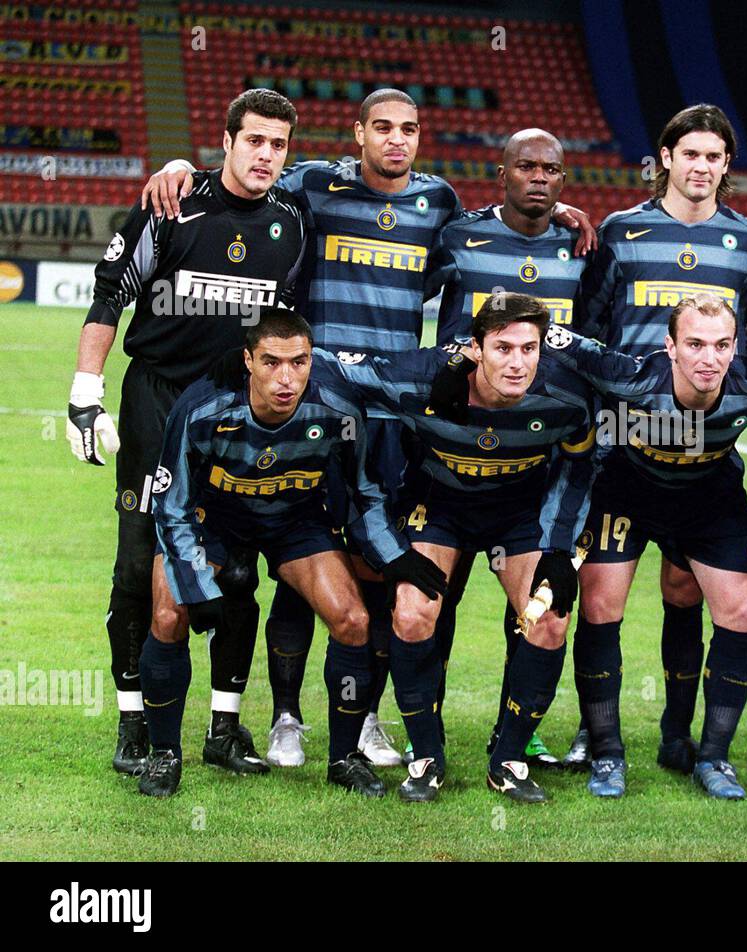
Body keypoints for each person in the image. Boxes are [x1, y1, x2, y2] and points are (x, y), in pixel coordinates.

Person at [141, 92, 596, 771]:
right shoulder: (316, 183)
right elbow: (249, 172)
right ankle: (288, 717)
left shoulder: (439, 204)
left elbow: (488, 230)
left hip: (392, 414)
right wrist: (183, 164)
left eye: (409, 130)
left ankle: (371, 719)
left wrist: (549, 207)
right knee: (304, 551)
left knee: (371, 572)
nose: (395, 140)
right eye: (382, 128)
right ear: (358, 133)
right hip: (314, 398)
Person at [68, 88, 307, 777]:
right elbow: (109, 293)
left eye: (278, 145)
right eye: (254, 140)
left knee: (234, 570)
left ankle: (224, 728)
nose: (265, 155)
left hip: (235, 414)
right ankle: (134, 719)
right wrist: (88, 393)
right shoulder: (170, 202)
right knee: (139, 566)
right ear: (226, 141)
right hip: (157, 402)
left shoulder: (291, 222)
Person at [543, 295, 747, 800]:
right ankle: (608, 752)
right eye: (696, 344)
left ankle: (714, 758)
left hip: (710, 498)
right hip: (629, 494)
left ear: (736, 347)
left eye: (722, 345)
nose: (710, 359)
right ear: (671, 347)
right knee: (598, 606)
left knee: (744, 611)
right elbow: (558, 339)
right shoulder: (633, 377)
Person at [140, 310, 446, 798]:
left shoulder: (338, 408)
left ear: (312, 360)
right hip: (212, 520)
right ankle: (163, 755)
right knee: (168, 612)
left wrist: (394, 556)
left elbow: (364, 494)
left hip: (295, 521)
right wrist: (196, 587)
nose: (286, 378)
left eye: (299, 362)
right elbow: (171, 507)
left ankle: (343, 758)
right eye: (271, 362)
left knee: (352, 619)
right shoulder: (203, 408)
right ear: (248, 361)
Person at [314, 293, 597, 803]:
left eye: (528, 349)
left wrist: (559, 547)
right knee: (411, 613)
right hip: (440, 507)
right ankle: (426, 756)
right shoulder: (422, 378)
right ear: (475, 348)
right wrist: (234, 358)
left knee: (550, 619)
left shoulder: (567, 394)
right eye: (503, 348)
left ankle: (508, 758)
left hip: (519, 514)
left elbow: (580, 464)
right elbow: (328, 364)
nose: (517, 363)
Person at [568, 103, 747, 770]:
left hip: (706, 454)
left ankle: (678, 731)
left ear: (725, 166)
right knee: (602, 597)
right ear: (665, 159)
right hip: (626, 447)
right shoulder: (622, 230)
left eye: (715, 157)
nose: (702, 167)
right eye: (691, 154)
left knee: (689, 593)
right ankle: (594, 734)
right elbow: (590, 330)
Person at [424, 128, 588, 769]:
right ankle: (422, 731)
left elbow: (589, 337)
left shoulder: (581, 248)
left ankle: (519, 731)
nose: (539, 177)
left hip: (539, 448)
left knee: (537, 599)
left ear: (564, 181)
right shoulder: (458, 236)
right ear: (503, 173)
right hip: (456, 444)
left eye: (551, 168)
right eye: (526, 166)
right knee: (439, 595)